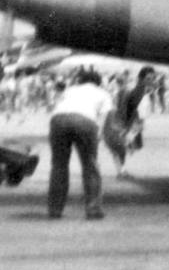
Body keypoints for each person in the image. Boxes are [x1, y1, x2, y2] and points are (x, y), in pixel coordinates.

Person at [47, 69, 114, 219]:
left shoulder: (71, 90)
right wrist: (99, 138)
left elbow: (60, 105)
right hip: (85, 121)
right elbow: (103, 121)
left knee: (59, 165)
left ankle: (55, 209)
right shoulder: (103, 94)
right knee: (90, 166)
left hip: (58, 119)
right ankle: (93, 209)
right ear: (98, 82)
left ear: (81, 81)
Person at [102, 66, 155, 177]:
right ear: (141, 77)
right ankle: (121, 171)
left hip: (132, 120)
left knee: (128, 145)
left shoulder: (141, 88)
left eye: (152, 78)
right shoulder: (132, 88)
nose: (150, 81)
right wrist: (127, 126)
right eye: (148, 78)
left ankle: (121, 170)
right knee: (120, 145)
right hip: (121, 119)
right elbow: (125, 107)